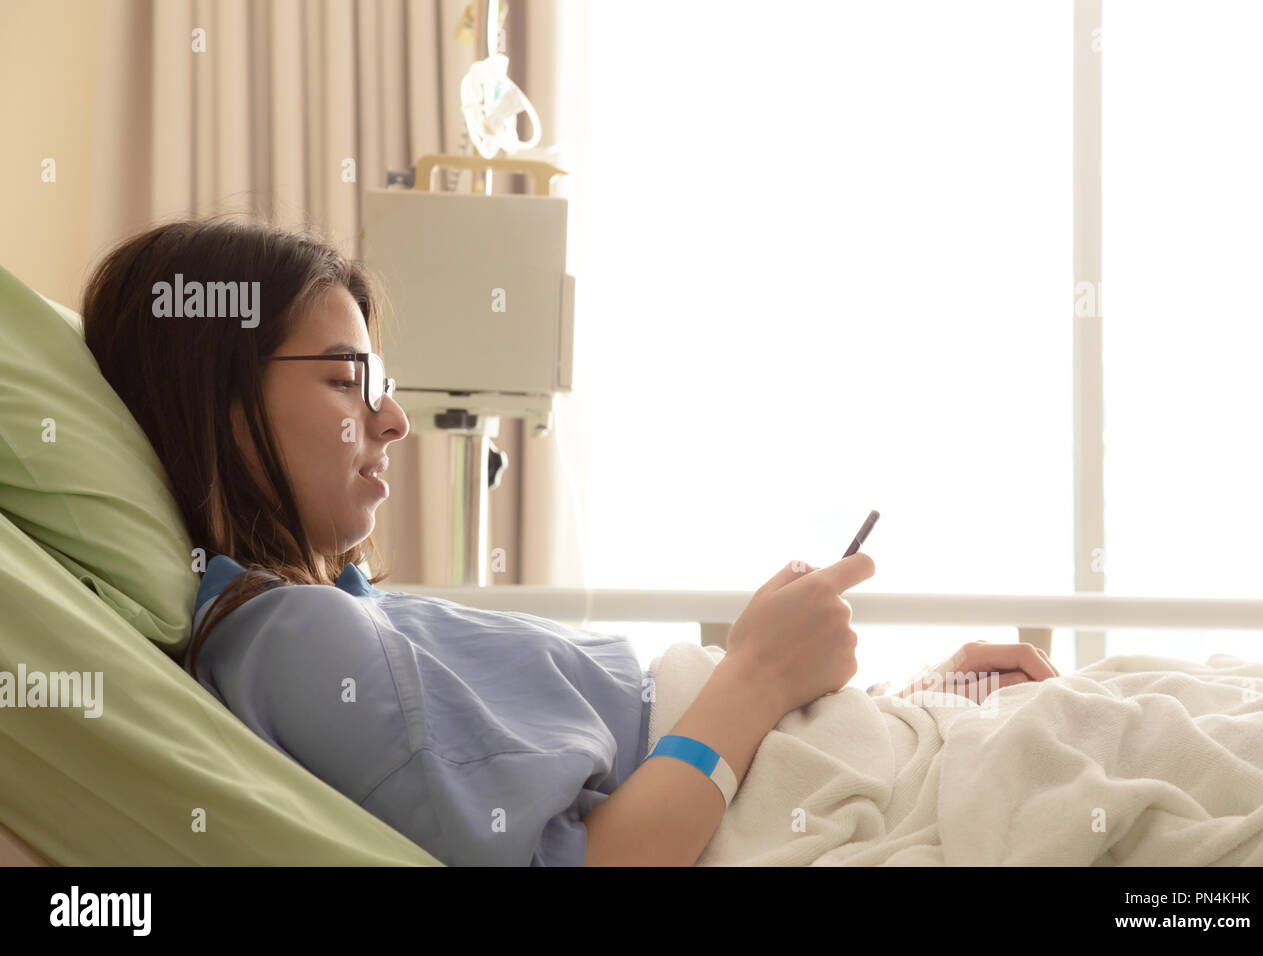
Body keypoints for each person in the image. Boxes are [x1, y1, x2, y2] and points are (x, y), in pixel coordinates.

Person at [80, 215, 1059, 867]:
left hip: (791, 749)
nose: (392, 422)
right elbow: (608, 855)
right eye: (345, 381)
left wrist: (902, 694)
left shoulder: (343, 611)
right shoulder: (298, 642)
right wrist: (760, 670)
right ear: (210, 399)